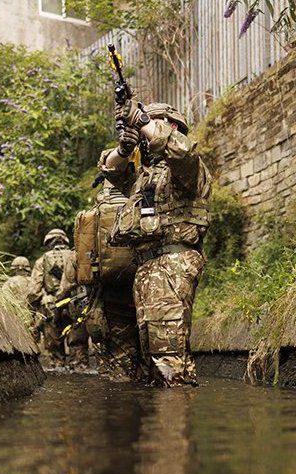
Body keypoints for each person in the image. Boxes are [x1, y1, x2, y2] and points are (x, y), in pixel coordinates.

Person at [97, 102, 210, 387]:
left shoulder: (183, 169)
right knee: (151, 369)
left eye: (151, 125)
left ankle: (172, 423)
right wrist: (124, 149)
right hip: (148, 270)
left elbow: (182, 151)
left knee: (169, 365)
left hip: (171, 267)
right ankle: (161, 426)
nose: (144, 133)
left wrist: (140, 118)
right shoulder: (143, 177)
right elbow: (110, 169)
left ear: (170, 128)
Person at [57, 181, 146, 382]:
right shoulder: (142, 206)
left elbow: (78, 273)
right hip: (144, 290)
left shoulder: (92, 218)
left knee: (116, 357)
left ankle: (117, 400)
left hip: (108, 294)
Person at [29, 229, 74, 370]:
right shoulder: (76, 256)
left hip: (51, 306)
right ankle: (80, 366)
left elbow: (34, 291)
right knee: (79, 349)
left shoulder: (42, 260)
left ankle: (59, 367)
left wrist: (31, 309)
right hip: (76, 303)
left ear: (48, 243)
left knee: (55, 356)